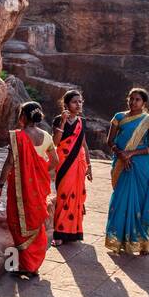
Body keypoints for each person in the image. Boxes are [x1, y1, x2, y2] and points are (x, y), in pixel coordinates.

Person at [0, 101, 59, 279]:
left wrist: (0, 184)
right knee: (35, 221)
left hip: (19, 187)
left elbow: (9, 163)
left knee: (16, 220)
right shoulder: (46, 136)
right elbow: (55, 160)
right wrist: (40, 172)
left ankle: (26, 265)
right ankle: (32, 265)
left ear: (23, 116)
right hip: (38, 186)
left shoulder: (17, 136)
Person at [104, 87, 149, 254]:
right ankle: (119, 240)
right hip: (121, 162)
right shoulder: (118, 117)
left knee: (138, 202)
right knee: (120, 200)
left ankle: (141, 242)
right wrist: (121, 153)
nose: (133, 102)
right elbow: (110, 141)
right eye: (131, 98)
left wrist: (131, 153)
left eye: (137, 99)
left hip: (140, 165)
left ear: (144, 103)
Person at [52, 89, 93, 244]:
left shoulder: (81, 122)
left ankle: (73, 232)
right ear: (67, 104)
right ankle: (59, 234)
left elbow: (83, 144)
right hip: (63, 163)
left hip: (78, 164)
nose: (78, 104)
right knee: (63, 196)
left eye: (80, 101)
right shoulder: (58, 119)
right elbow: (55, 142)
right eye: (75, 102)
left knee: (75, 198)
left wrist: (89, 165)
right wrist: (62, 121)